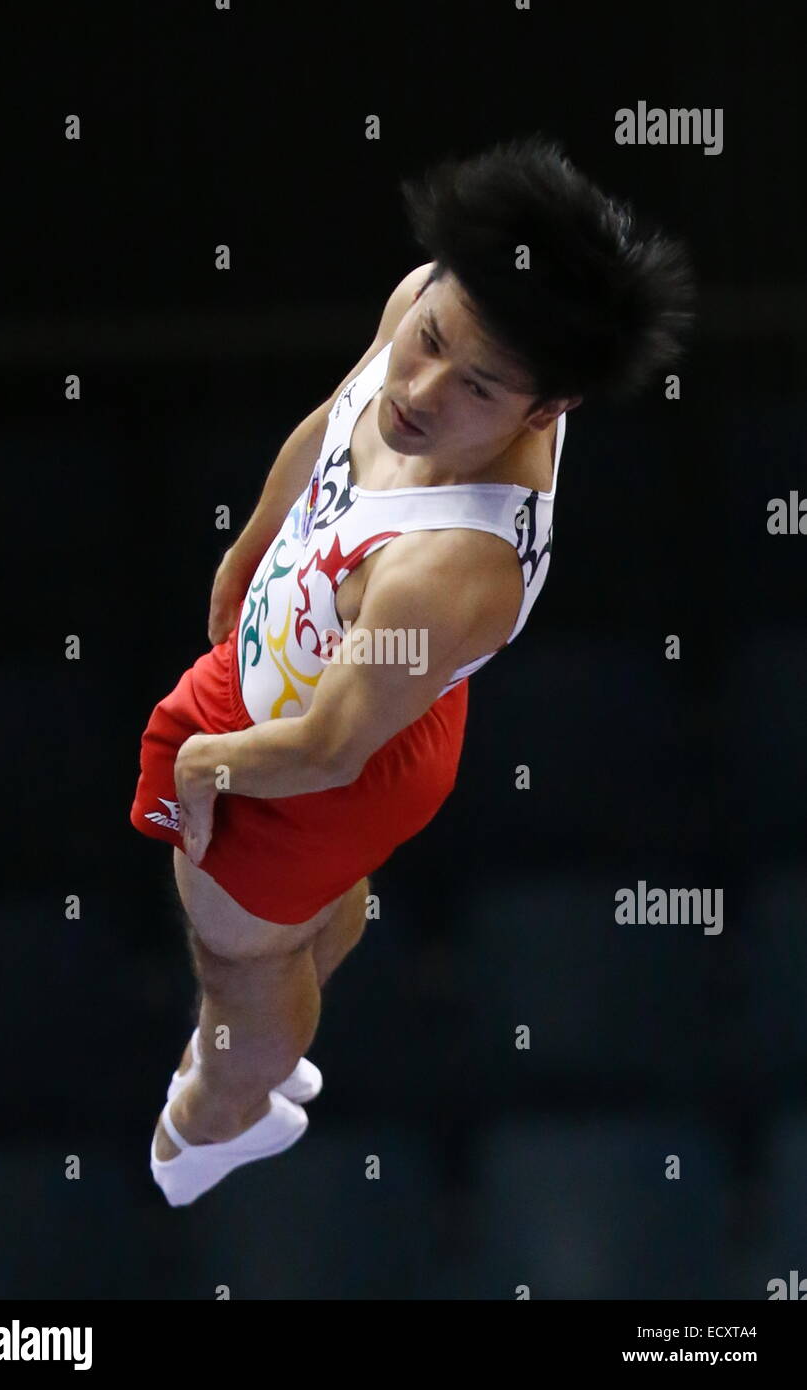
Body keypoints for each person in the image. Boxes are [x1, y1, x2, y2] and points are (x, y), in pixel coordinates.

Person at [129, 133, 695, 1205]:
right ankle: (294, 948)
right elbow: (333, 421)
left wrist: (212, 763)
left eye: (475, 386)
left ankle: (229, 1104)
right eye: (428, 338)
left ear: (545, 411)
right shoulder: (431, 303)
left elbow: (332, 744)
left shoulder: (451, 567)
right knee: (297, 921)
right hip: (342, 682)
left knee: (236, 963)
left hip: (326, 750)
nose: (420, 389)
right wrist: (253, 544)